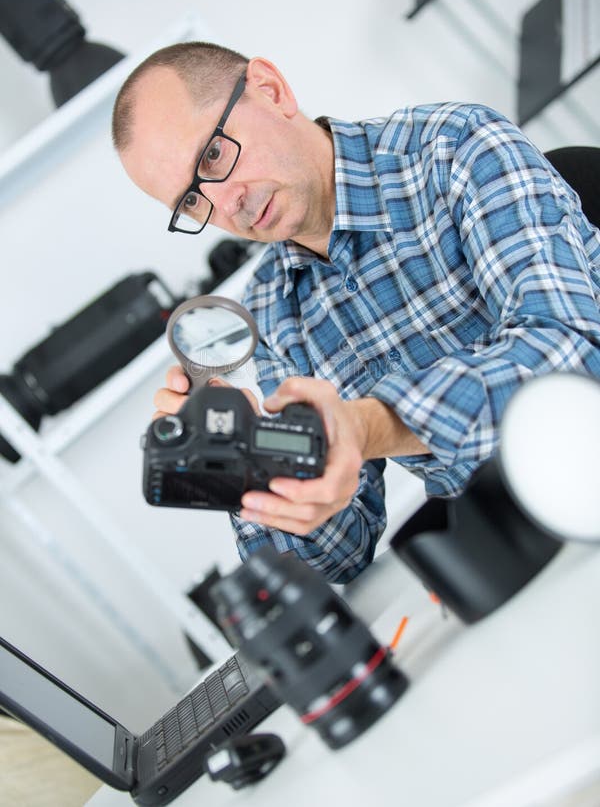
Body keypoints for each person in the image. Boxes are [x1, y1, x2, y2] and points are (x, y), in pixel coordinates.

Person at [112, 42, 600, 583]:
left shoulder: (455, 147)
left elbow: (568, 351)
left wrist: (368, 425)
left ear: (271, 91)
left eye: (212, 156)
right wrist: (248, 465)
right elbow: (338, 557)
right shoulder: (271, 311)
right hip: (510, 551)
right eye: (190, 201)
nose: (227, 203)